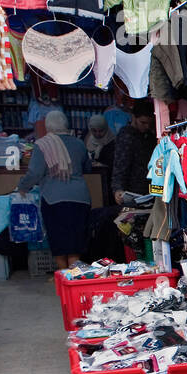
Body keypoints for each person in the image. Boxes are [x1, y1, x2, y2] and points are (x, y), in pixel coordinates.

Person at [17, 111, 93, 270]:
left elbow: (35, 173)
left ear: (48, 126)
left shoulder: (42, 145)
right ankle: (74, 277)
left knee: (59, 241)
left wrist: (23, 187)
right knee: (76, 241)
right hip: (80, 198)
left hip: (54, 199)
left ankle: (63, 277)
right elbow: (87, 167)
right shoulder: (79, 143)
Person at [111, 100, 155, 204]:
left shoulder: (150, 137)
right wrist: (118, 188)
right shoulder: (126, 136)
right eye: (143, 123)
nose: (147, 126)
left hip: (149, 190)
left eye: (150, 123)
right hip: (131, 191)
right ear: (133, 118)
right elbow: (120, 165)